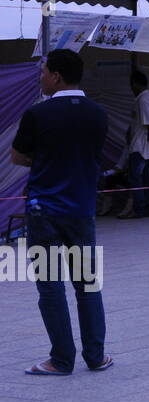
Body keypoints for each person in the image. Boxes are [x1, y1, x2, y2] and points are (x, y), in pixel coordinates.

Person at [13, 49, 112, 376]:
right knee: (87, 284)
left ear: (56, 76)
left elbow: (17, 156)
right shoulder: (98, 114)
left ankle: (61, 359)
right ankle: (96, 356)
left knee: (51, 285)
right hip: (82, 211)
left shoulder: (37, 114)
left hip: (44, 212)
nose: (41, 77)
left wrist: (42, 161)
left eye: (43, 72)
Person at [118, 70, 149, 219]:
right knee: (146, 178)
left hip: (140, 146)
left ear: (135, 84)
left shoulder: (143, 100)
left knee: (136, 178)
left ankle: (140, 208)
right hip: (145, 145)